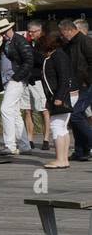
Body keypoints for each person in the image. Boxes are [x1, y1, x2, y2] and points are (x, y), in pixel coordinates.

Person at [0, 19, 34, 156]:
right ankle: (24, 145)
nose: (3, 35)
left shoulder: (20, 41)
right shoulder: (7, 42)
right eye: (1, 33)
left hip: (16, 80)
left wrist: (17, 77)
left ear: (10, 29)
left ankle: (10, 145)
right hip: (10, 80)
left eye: (4, 32)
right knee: (15, 113)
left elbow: (29, 61)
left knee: (6, 109)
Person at [59, 18, 92, 161]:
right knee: (78, 117)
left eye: (62, 33)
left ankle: (85, 147)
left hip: (87, 84)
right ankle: (81, 150)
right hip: (77, 85)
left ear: (68, 30)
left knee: (76, 115)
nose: (62, 36)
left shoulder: (84, 41)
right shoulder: (71, 44)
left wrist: (87, 81)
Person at [41, 32, 74, 169]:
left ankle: (60, 159)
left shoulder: (58, 56)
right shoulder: (57, 55)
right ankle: (64, 159)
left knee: (56, 126)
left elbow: (64, 78)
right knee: (62, 127)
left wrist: (59, 97)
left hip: (60, 96)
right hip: (58, 95)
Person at [20, 20, 48, 151]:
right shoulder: (28, 42)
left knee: (44, 110)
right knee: (27, 109)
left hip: (38, 79)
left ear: (39, 31)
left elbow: (43, 60)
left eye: (32, 32)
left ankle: (46, 138)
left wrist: (30, 50)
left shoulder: (44, 42)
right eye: (29, 31)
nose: (30, 34)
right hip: (27, 79)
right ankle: (30, 138)